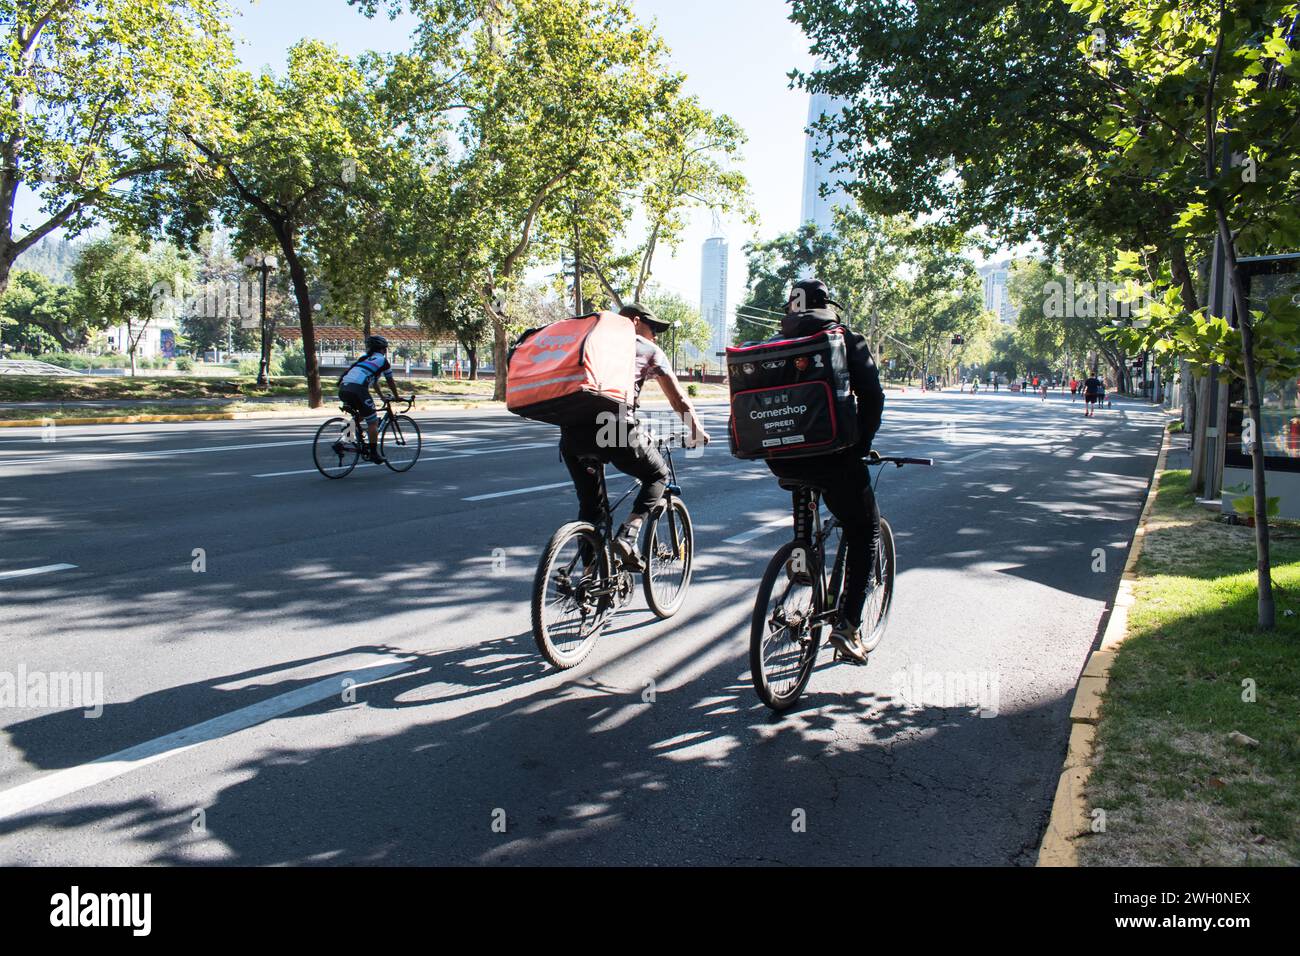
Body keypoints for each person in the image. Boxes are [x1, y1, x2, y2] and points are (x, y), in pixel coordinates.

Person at [764, 279, 886, 665]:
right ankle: (848, 626)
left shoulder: (775, 344)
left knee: (805, 485)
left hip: (781, 458)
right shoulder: (846, 339)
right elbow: (873, 398)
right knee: (864, 530)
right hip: (835, 458)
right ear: (825, 305)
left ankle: (802, 555)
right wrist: (860, 446)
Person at [559, 304, 710, 570]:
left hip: (572, 433)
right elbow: (679, 400)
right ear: (636, 321)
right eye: (654, 329)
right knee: (658, 475)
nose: (656, 336)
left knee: (591, 508)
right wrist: (696, 431)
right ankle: (629, 535)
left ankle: (591, 577)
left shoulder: (588, 340)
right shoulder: (645, 348)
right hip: (614, 429)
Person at [338, 334, 404, 463]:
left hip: (343, 388)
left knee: (360, 415)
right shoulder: (383, 361)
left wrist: (381, 397)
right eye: (385, 349)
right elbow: (390, 381)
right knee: (372, 422)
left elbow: (374, 382)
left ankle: (343, 441)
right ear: (383, 349)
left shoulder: (364, 358)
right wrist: (396, 397)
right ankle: (374, 454)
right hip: (358, 389)